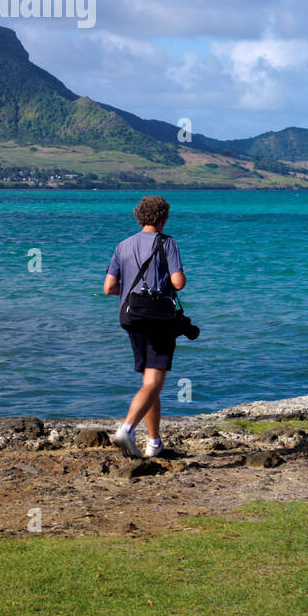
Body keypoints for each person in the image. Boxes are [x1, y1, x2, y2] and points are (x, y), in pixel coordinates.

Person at [104, 196, 186, 459]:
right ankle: (127, 429)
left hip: (131, 317)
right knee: (154, 380)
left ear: (139, 217)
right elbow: (179, 282)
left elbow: (109, 288)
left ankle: (154, 442)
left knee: (149, 381)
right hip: (159, 320)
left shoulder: (122, 245)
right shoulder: (167, 242)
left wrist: (132, 291)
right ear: (162, 218)